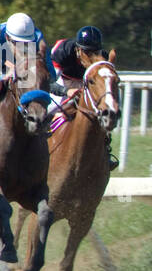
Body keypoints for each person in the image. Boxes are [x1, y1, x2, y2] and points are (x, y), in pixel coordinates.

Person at [50, 25, 118, 170]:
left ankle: (105, 151)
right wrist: (65, 90)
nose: (92, 57)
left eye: (96, 52)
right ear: (78, 50)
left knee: (100, 112)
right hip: (62, 81)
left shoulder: (102, 60)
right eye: (88, 52)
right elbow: (48, 82)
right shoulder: (63, 50)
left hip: (86, 84)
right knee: (45, 110)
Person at [0, 12, 55, 88]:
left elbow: (52, 76)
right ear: (7, 37)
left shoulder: (38, 38)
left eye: (27, 43)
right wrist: (12, 67)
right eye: (17, 43)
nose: (22, 47)